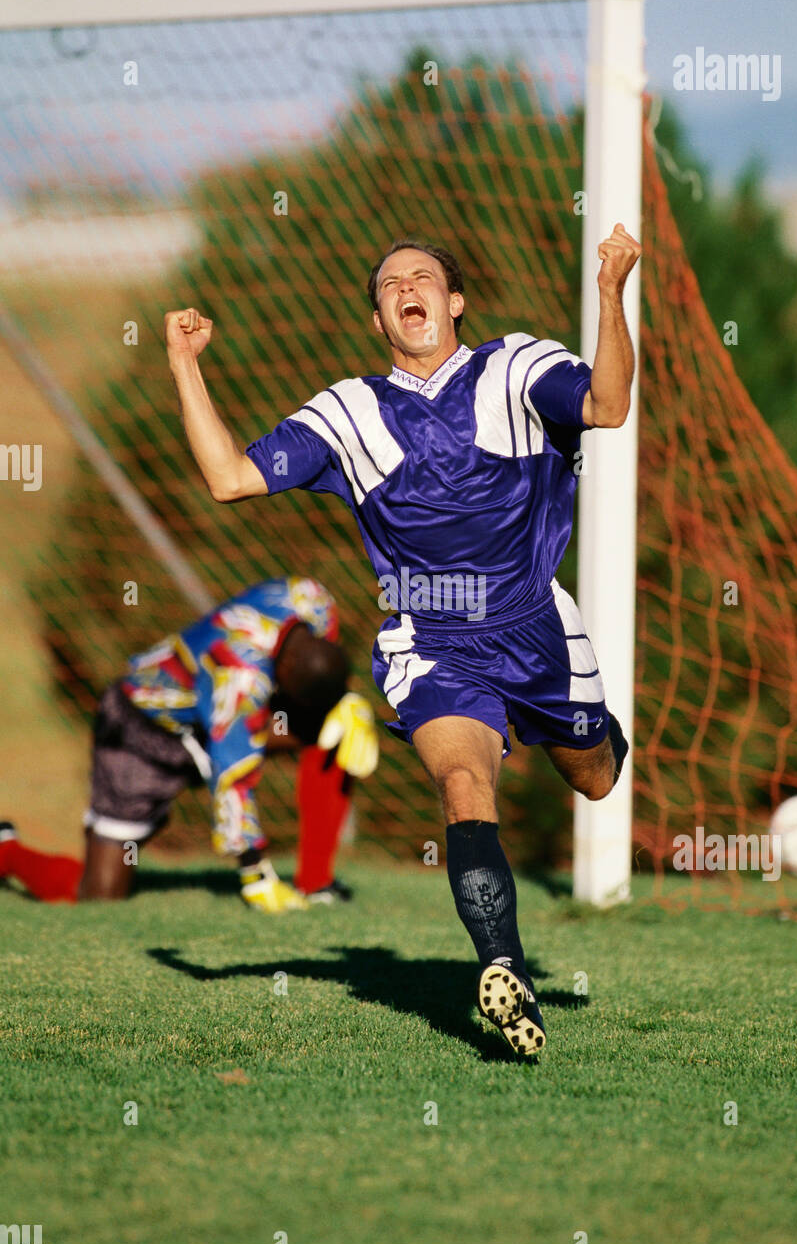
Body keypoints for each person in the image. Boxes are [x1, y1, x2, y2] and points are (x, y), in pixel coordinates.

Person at [163, 221, 640, 1056]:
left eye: (422, 278)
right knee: (463, 785)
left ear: (453, 302)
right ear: (381, 323)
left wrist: (609, 292)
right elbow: (229, 477)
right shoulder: (349, 410)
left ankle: (584, 736)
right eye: (389, 286)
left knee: (597, 779)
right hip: (431, 641)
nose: (405, 289)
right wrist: (184, 364)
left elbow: (607, 403)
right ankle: (505, 973)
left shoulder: (516, 365)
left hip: (536, 626)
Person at [0, 576, 377, 909]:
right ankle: (7, 851)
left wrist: (343, 705)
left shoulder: (311, 600)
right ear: (285, 671)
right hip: (140, 733)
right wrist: (256, 876)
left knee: (338, 732)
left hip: (207, 720)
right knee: (98, 894)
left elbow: (316, 663)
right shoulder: (239, 682)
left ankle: (316, 883)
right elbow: (233, 781)